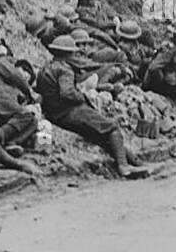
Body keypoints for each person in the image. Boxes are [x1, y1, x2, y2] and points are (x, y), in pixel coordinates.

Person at [37, 35, 149, 178]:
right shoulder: (65, 70)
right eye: (72, 53)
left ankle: (136, 162)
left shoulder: (44, 69)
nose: (74, 55)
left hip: (55, 114)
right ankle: (124, 167)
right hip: (69, 111)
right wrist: (83, 95)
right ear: (67, 54)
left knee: (101, 136)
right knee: (112, 128)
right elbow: (67, 93)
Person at [0, 47, 40, 150]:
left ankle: (11, 143)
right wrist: (30, 93)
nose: (25, 77)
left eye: (28, 78)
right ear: (18, 66)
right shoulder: (3, 61)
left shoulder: (15, 87)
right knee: (25, 115)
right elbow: (15, 75)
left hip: (1, 104)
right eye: (25, 73)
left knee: (32, 121)